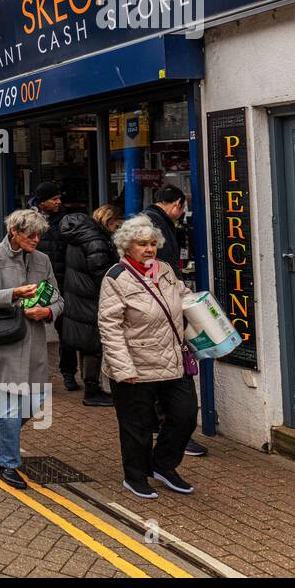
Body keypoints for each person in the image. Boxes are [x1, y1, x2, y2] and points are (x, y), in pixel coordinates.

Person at [98, 214, 200, 500]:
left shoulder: (166, 269)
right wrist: (122, 368)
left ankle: (163, 465)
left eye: (153, 243)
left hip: (172, 360)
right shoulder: (116, 278)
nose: (149, 249)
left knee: (186, 415)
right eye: (142, 243)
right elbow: (110, 326)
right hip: (135, 365)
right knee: (137, 426)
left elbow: (184, 298)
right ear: (126, 246)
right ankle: (136, 475)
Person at [0, 209, 62, 489]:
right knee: (10, 408)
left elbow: (58, 297)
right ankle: (8, 465)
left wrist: (47, 311)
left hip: (34, 343)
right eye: (30, 235)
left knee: (34, 402)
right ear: (14, 232)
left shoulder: (42, 260)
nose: (36, 240)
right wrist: (14, 294)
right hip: (3, 342)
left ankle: (5, 435)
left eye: (39, 235)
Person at [140, 184, 208, 458]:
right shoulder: (158, 225)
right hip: (162, 309)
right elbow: (164, 268)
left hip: (157, 307)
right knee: (172, 376)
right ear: (178, 204)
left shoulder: (151, 220)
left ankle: (163, 427)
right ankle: (174, 433)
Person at [59, 203, 122, 407]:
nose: (117, 230)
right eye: (117, 225)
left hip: (77, 294)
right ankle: (92, 390)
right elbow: (102, 273)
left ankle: (90, 386)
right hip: (90, 297)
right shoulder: (96, 240)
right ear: (109, 220)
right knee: (93, 345)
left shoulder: (80, 234)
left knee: (86, 343)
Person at [30, 182, 72, 388]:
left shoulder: (65, 221)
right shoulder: (28, 221)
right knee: (31, 330)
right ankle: (31, 376)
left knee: (66, 331)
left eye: (59, 198)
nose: (58, 202)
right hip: (36, 285)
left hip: (62, 281)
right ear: (41, 201)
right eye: (54, 199)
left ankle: (68, 373)